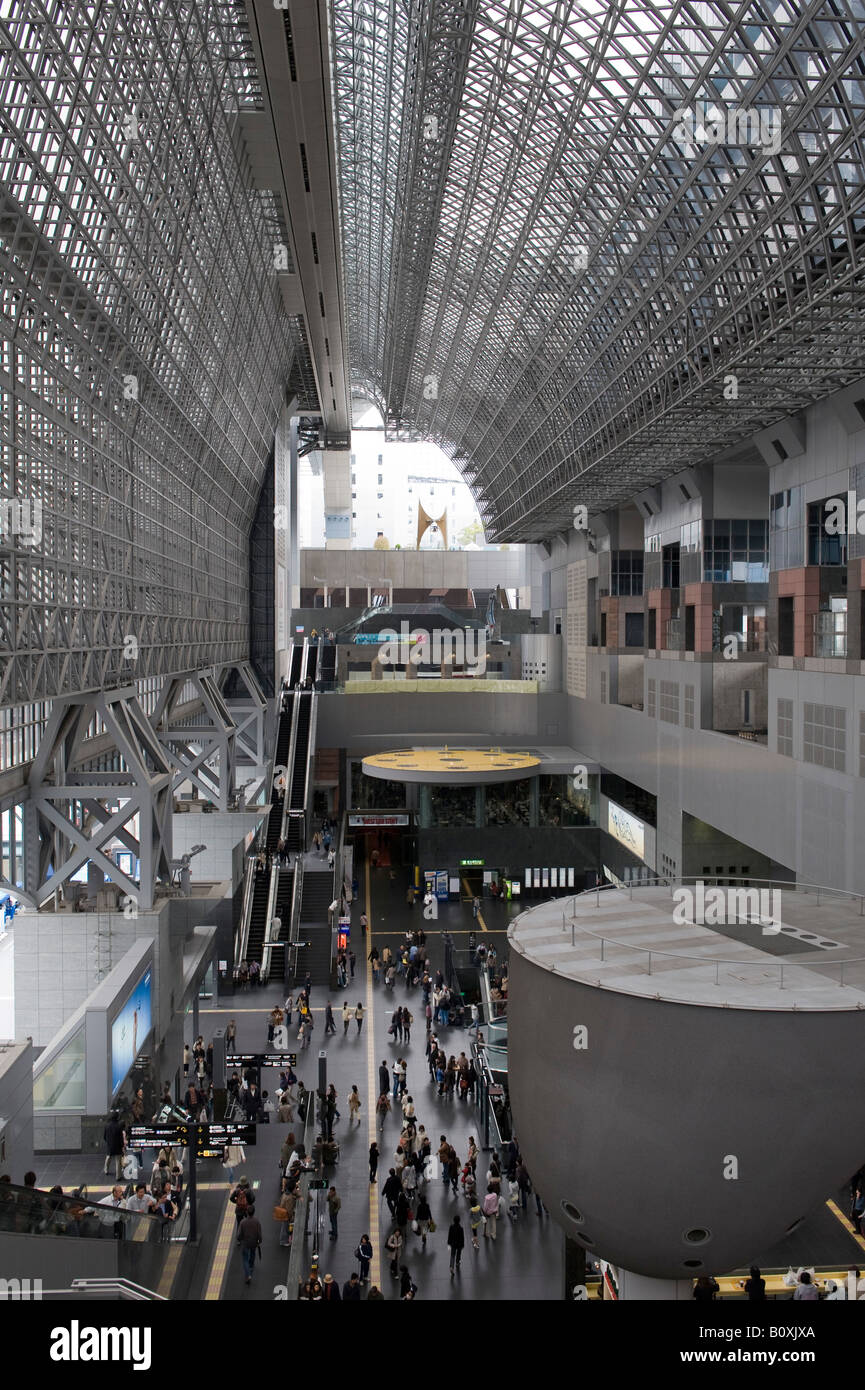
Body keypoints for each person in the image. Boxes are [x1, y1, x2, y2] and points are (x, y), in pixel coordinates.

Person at [237, 1202, 262, 1284]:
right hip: (254, 1242)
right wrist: (259, 1241)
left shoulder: (243, 1222)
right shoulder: (257, 1221)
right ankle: (251, 1267)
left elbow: (239, 1234)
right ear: (254, 1212)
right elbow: (259, 1233)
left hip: (246, 1243)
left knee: (245, 1259)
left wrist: (239, 1239)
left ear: (247, 1212)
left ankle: (248, 1275)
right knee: (252, 1254)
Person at [103, 1111, 126, 1180]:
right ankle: (118, 1176)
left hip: (110, 1145)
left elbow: (104, 1136)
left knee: (108, 1157)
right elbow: (120, 1138)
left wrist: (108, 1142)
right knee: (118, 1161)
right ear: (117, 1117)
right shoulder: (118, 1126)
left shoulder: (107, 1125)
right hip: (117, 1146)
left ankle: (106, 1170)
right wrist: (122, 1146)